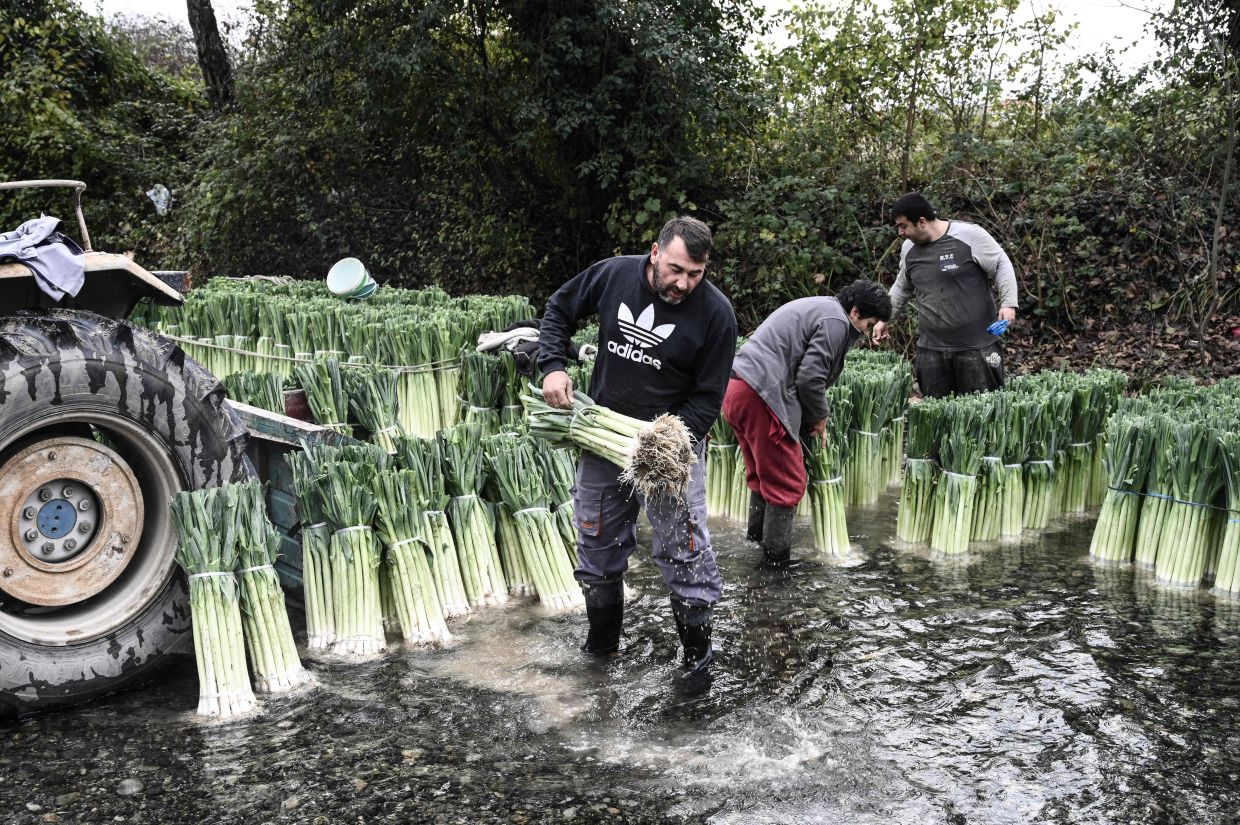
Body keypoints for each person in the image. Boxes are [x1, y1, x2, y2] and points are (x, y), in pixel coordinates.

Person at [537, 216, 737, 696]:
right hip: (603, 437)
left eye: (694, 274)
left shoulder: (716, 315)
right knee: (597, 544)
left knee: (684, 552)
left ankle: (696, 665)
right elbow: (559, 310)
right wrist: (553, 366)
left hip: (671, 450)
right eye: (674, 270)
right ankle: (601, 651)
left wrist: (664, 444)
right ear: (654, 252)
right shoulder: (613, 275)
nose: (682, 284)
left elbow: (709, 398)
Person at [724, 280, 892, 567]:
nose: (866, 332)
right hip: (761, 396)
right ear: (855, 312)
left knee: (762, 477)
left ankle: (755, 546)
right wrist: (820, 416)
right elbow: (810, 377)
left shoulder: (824, 308)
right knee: (787, 482)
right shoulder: (836, 322)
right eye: (869, 323)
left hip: (737, 389)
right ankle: (775, 565)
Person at [871, 192, 1018, 397]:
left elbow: (1001, 264)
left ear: (922, 222)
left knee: (982, 418)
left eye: (903, 226)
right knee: (938, 418)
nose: (900, 232)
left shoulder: (970, 236)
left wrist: (1008, 303)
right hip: (931, 352)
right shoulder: (908, 248)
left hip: (977, 347)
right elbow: (902, 286)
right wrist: (885, 317)